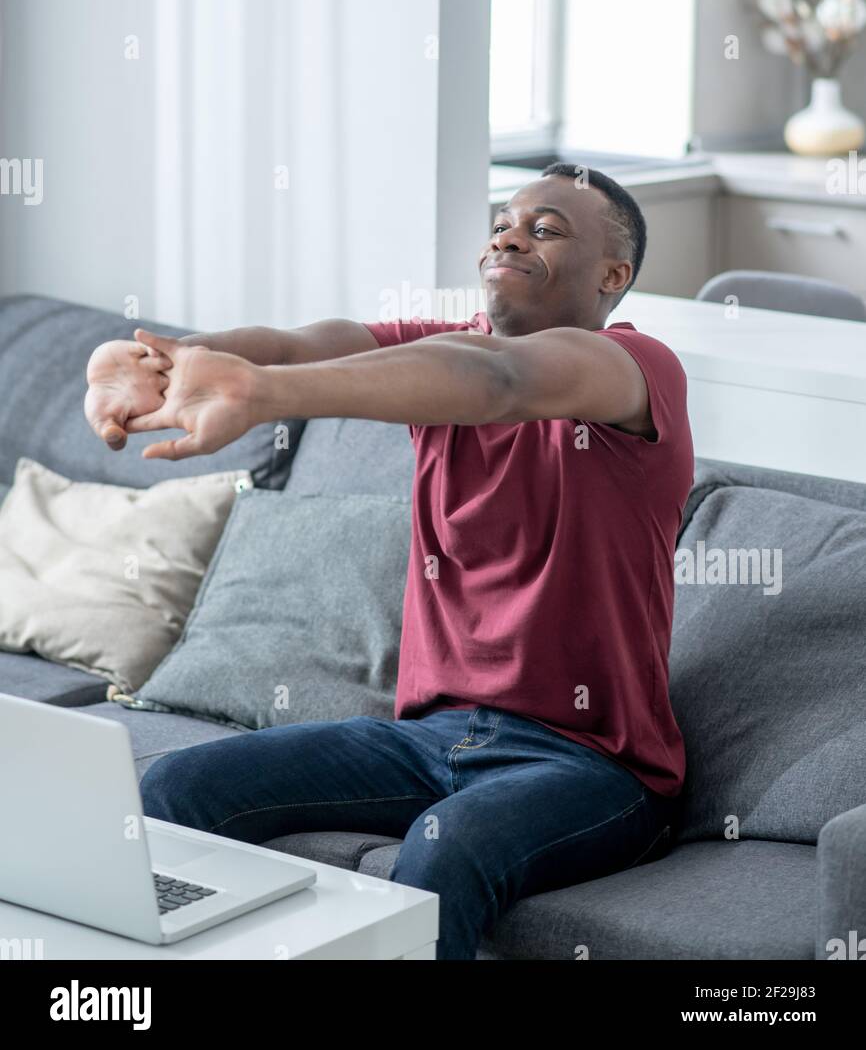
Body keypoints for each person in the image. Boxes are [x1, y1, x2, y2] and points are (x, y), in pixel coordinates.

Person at [84, 164, 694, 960]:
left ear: (613, 276)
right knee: (171, 789)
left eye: (546, 228)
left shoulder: (636, 370)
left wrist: (266, 393)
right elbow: (306, 343)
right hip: (430, 739)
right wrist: (159, 362)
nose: (509, 233)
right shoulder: (438, 360)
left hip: (592, 767)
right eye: (504, 221)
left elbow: (501, 382)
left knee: (450, 844)